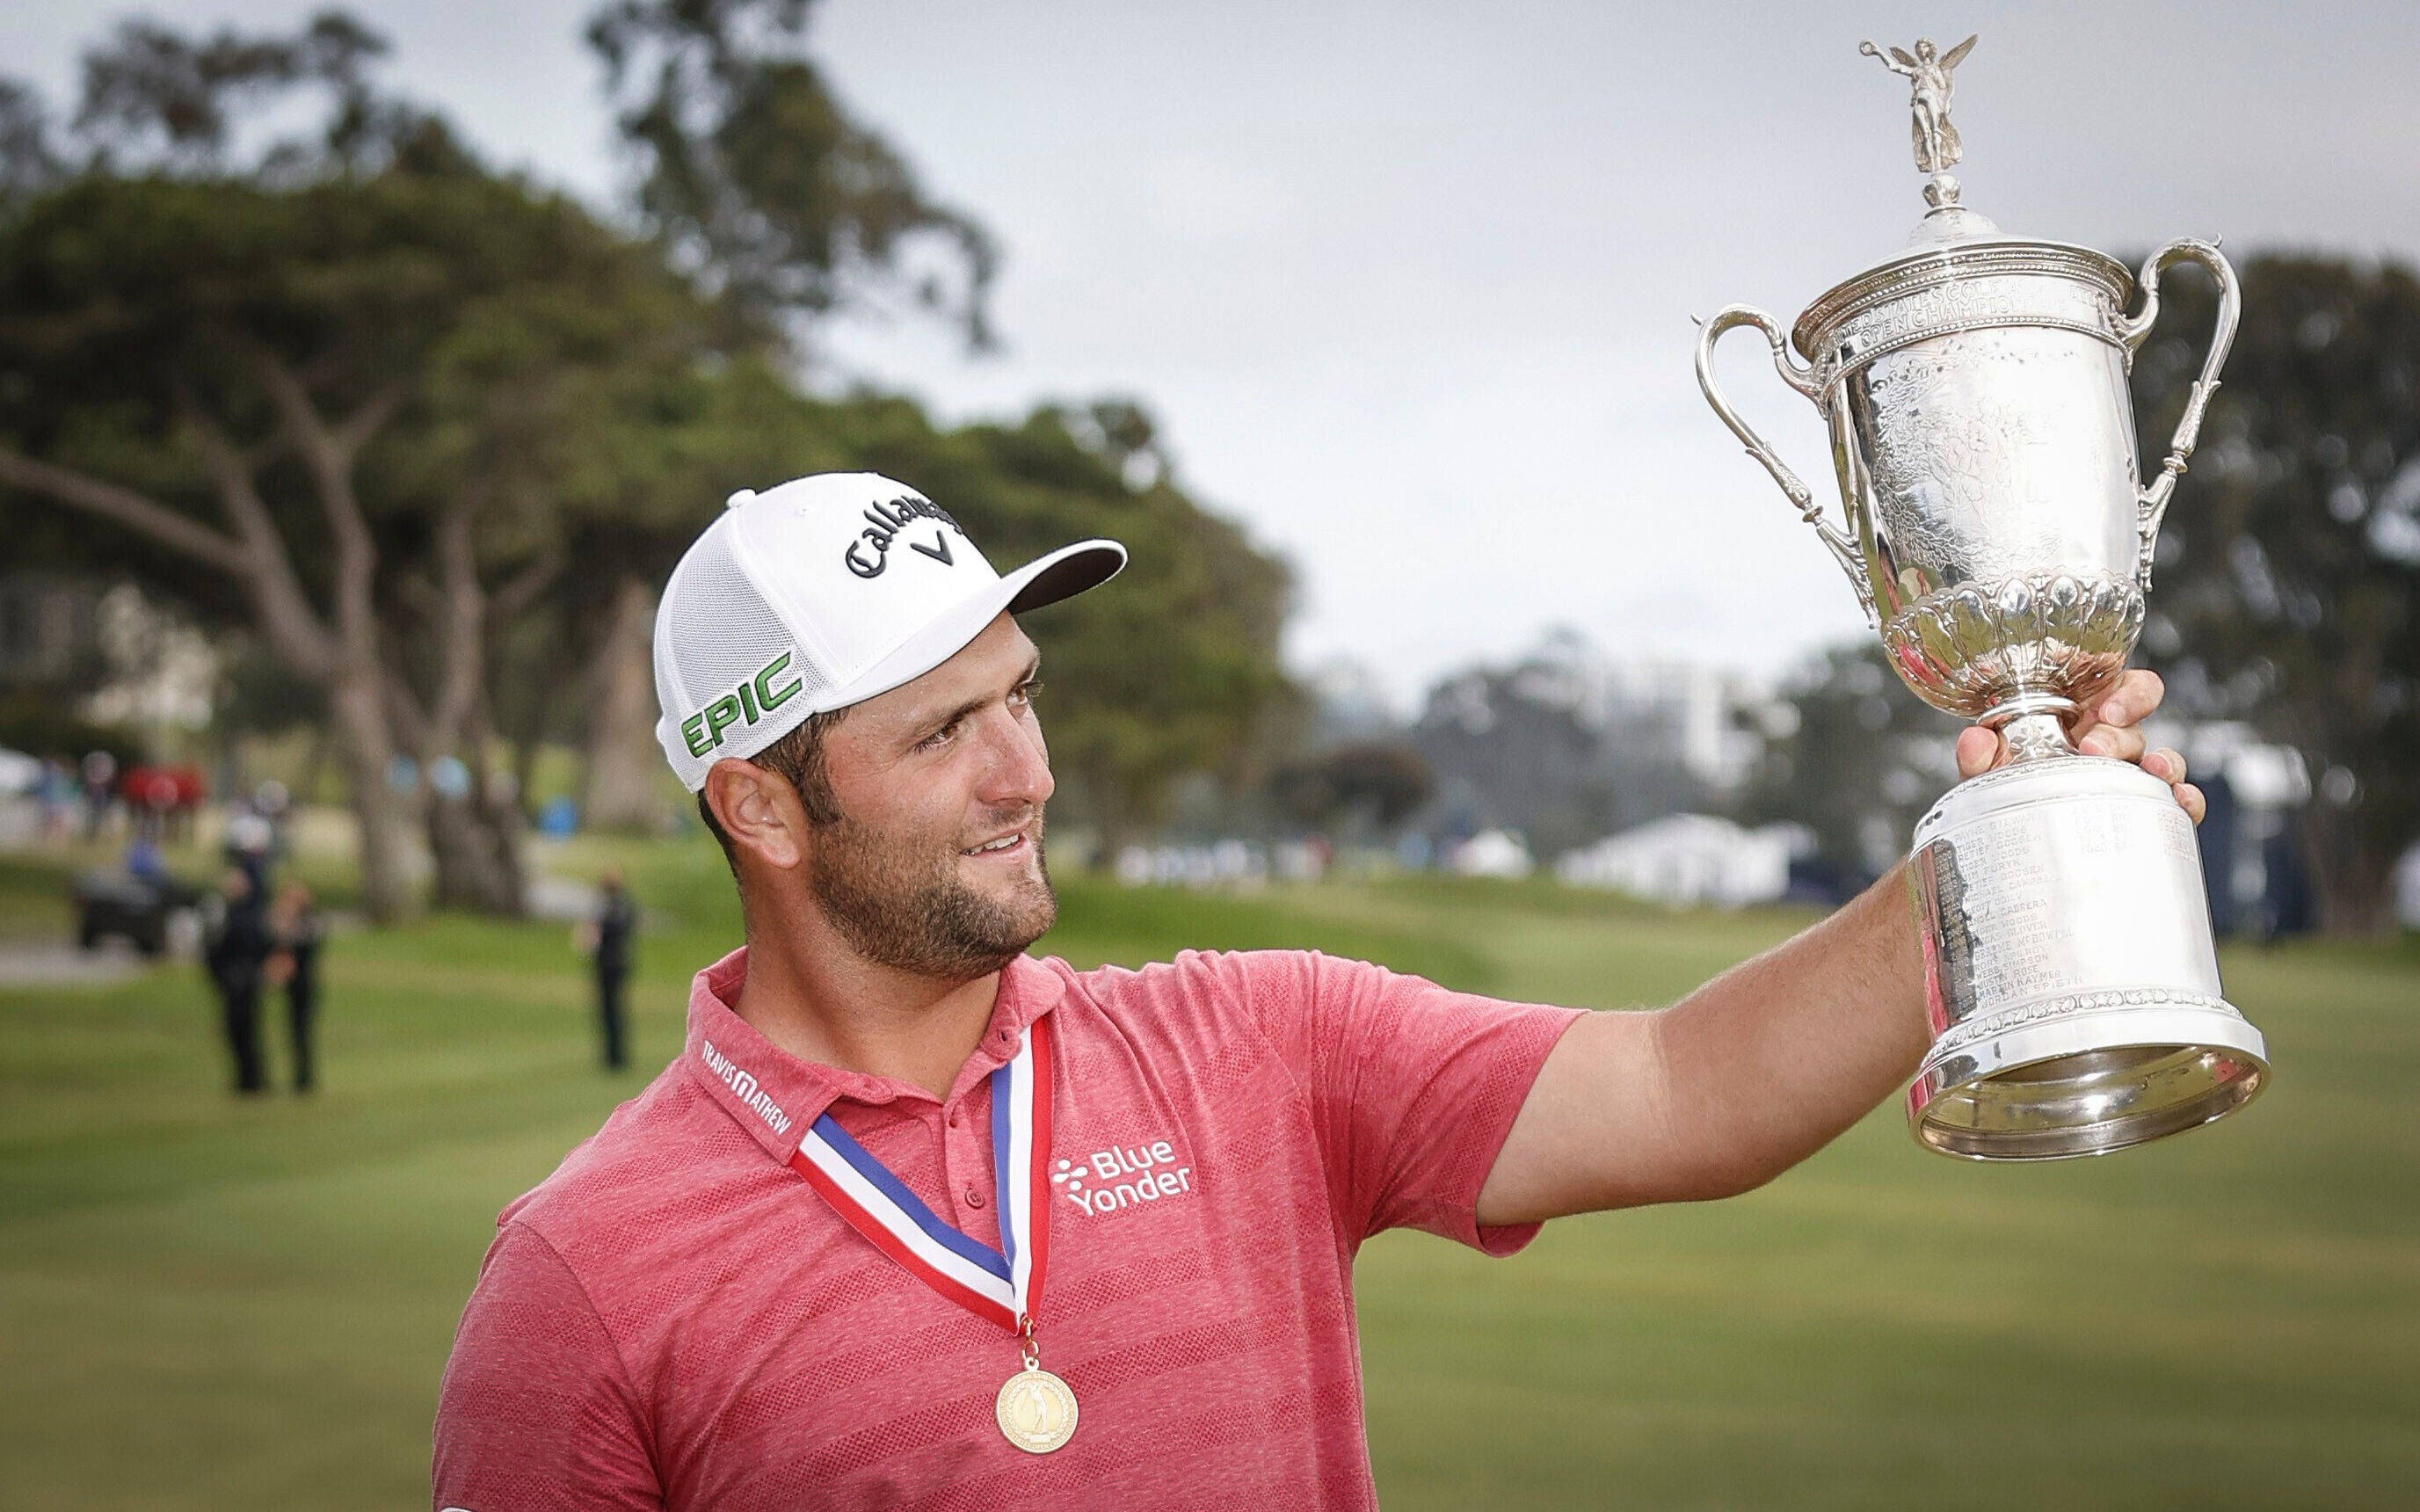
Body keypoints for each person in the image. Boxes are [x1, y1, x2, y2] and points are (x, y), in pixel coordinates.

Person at [433, 473, 2205, 1508]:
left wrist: (1991, 842)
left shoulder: (1248, 1040)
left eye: (1020, 694)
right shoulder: (583, 1280)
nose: (1023, 770)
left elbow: (1680, 1088)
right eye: (941, 730)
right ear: (758, 805)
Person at [201, 868, 270, 1096]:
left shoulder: (245, 918)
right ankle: (246, 1078)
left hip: (244, 981)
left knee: (245, 1032)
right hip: (234, 981)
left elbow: (255, 949)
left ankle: (252, 1080)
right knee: (237, 1032)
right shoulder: (229, 915)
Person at [265, 879, 323, 1094]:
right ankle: (297, 1076)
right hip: (291, 986)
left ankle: (305, 1077)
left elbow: (302, 948)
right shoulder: (283, 923)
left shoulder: (309, 924)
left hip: (304, 985)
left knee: (302, 1031)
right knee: (291, 1031)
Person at [583, 870, 636, 1072]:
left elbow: (592, 939)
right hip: (621, 963)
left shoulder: (603, 910)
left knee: (608, 1010)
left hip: (605, 964)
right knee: (618, 1009)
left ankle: (612, 1056)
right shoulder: (626, 906)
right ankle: (618, 1055)